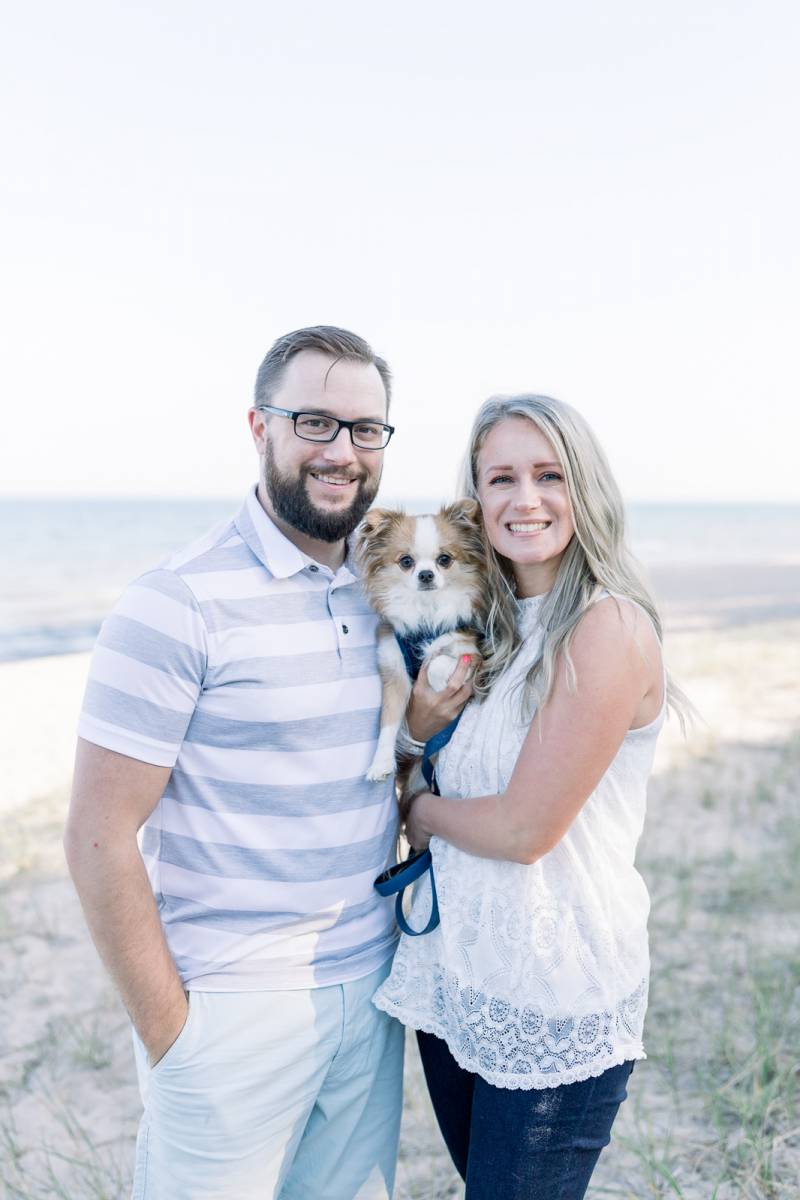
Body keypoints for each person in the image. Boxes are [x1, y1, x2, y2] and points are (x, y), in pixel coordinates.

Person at [63, 325, 471, 1200]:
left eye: (367, 429)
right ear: (260, 427)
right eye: (314, 423)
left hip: (370, 993)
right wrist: (172, 1033)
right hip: (228, 1011)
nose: (343, 452)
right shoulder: (174, 603)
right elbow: (98, 836)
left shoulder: (382, 590)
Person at [374, 393, 688, 1200]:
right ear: (475, 498)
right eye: (501, 478)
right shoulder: (489, 620)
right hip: (459, 980)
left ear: (584, 487)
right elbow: (428, 757)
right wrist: (411, 741)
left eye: (549, 475)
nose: (525, 499)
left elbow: (521, 829)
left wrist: (414, 815)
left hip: (550, 996)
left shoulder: (605, 627)